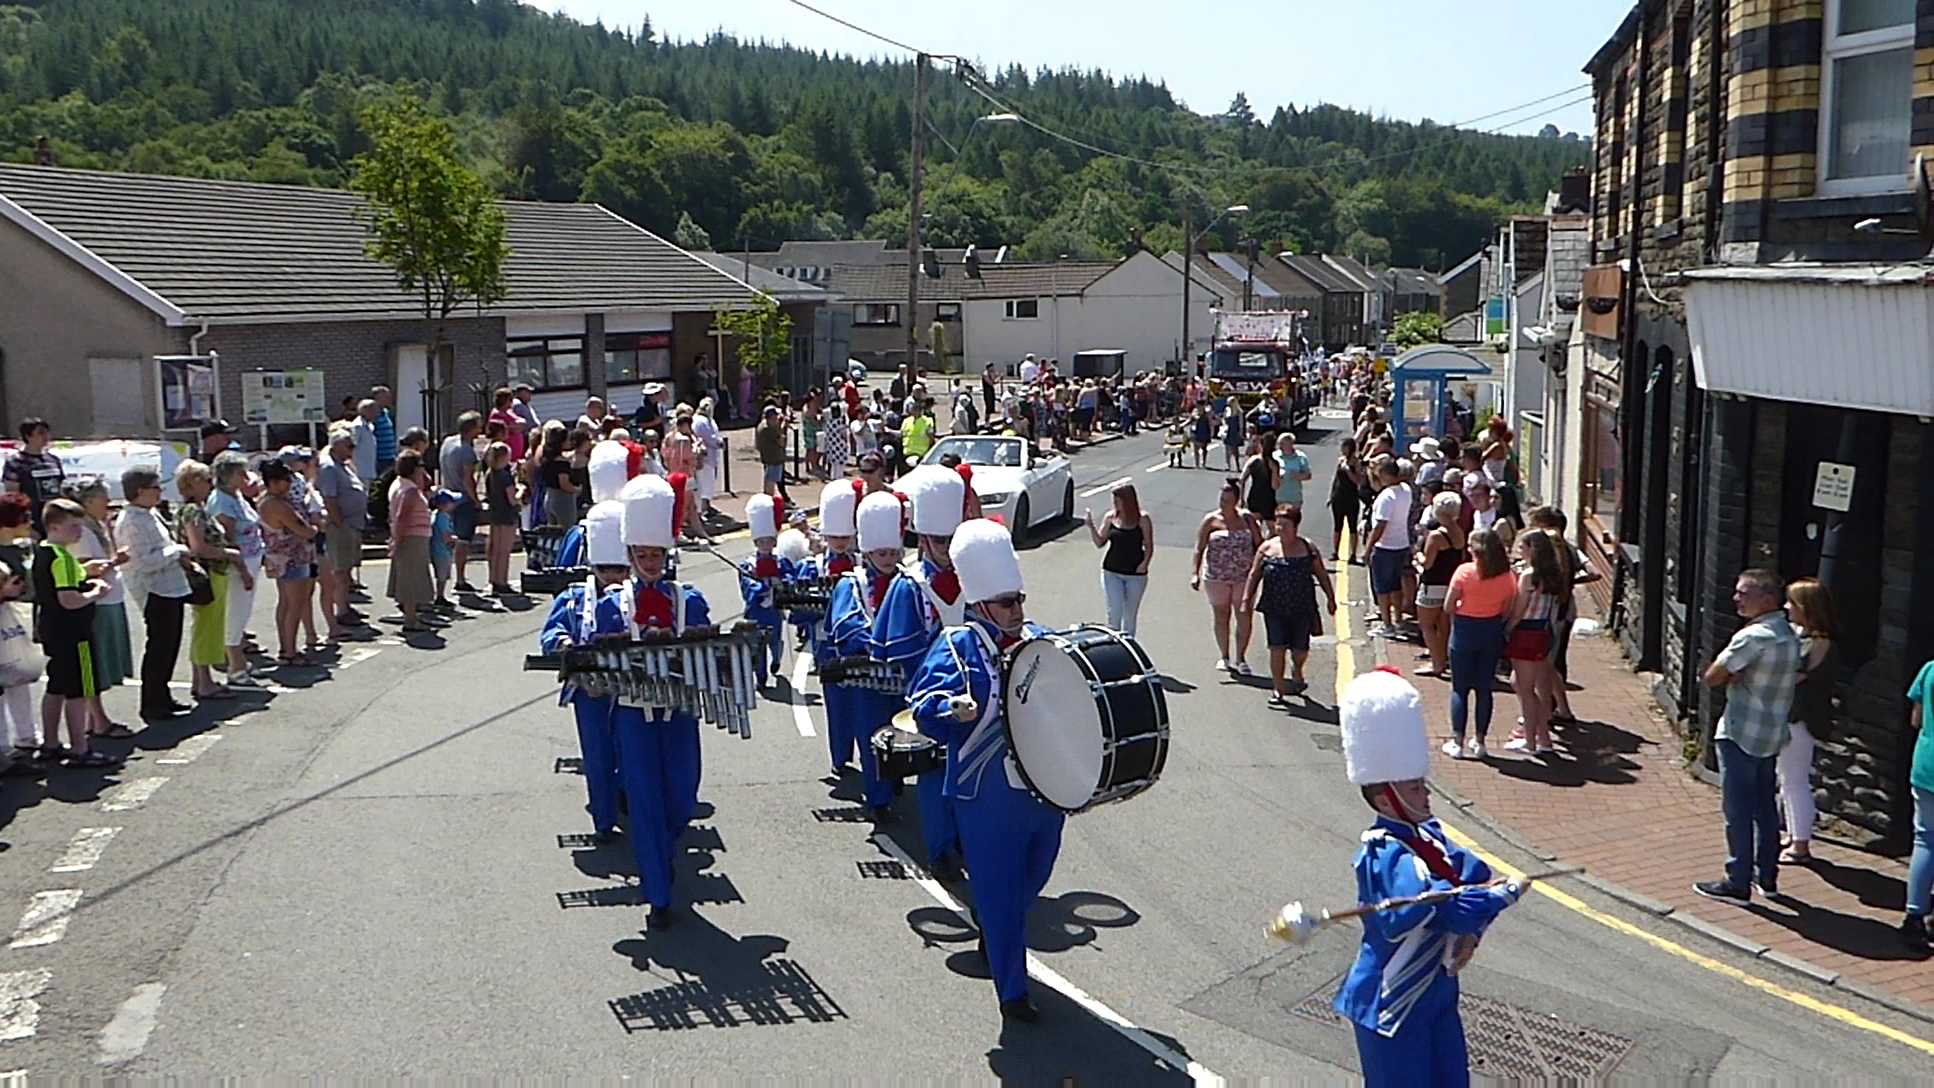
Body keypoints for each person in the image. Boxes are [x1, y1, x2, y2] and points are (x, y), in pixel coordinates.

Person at [1315, 668, 1523, 1084]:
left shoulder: (1431, 836)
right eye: (1413, 788)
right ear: (1385, 800)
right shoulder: (1382, 852)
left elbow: (1475, 877)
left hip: (1436, 993)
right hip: (1391, 1000)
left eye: (1421, 785)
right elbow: (1433, 910)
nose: (1425, 795)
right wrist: (1496, 900)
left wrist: (1474, 930)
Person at [907, 517, 1063, 1022]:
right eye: (1006, 603)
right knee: (998, 892)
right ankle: (1012, 992)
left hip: (1042, 792)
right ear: (979, 605)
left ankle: (994, 926)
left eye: (1018, 599)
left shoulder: (1039, 641)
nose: (1017, 611)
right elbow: (922, 706)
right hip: (985, 795)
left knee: (1034, 877)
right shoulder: (955, 647)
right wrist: (952, 707)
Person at [594, 474, 712, 930]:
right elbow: (598, 664)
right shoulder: (610, 606)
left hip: (678, 714)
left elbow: (709, 654)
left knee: (683, 799)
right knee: (644, 802)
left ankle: (663, 853)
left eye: (656, 554)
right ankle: (658, 892)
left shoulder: (691, 601)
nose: (649, 563)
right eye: (641, 555)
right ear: (628, 555)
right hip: (632, 717)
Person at [873, 464, 972, 873]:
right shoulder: (909, 583)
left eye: (952, 540)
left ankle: (966, 838)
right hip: (929, 691)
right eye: (939, 540)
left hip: (975, 687)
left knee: (970, 770)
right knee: (934, 772)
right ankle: (939, 849)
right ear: (925, 539)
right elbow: (901, 648)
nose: (946, 548)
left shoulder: (974, 575)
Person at [1696, 569, 1802, 904]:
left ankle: (1736, 881)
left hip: (1740, 733)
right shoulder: (1788, 634)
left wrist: (1733, 675)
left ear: (1767, 600)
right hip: (1770, 733)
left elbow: (1712, 677)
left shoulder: (1752, 637)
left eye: (1744, 593)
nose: (1736, 598)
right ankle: (1766, 876)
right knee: (1764, 807)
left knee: (1737, 809)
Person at [539, 500, 630, 844]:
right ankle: (603, 818)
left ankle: (625, 797)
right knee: (597, 754)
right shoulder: (575, 597)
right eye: (606, 569)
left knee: (628, 751)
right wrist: (561, 642)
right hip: (588, 688)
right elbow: (551, 632)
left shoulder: (635, 596)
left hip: (628, 686)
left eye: (620, 570)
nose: (613, 577)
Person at [826, 488, 902, 818]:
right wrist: (876, 640)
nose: (887, 558)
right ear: (868, 551)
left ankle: (893, 782)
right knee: (873, 738)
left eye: (892, 551)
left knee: (903, 733)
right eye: (880, 552)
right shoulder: (851, 583)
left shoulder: (906, 580)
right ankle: (878, 799)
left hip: (901, 673)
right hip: (867, 678)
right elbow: (846, 625)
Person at [36, 499, 120, 766]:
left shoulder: (44, 552)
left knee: (57, 686)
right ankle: (80, 749)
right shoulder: (61, 557)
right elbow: (68, 599)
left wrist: (85, 572)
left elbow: (59, 583)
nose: (79, 531)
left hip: (53, 629)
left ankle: (50, 743)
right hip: (74, 633)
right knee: (80, 691)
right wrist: (95, 592)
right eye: (73, 526)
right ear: (54, 526)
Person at [116, 467, 193, 721]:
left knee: (169, 647)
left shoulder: (149, 515)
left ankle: (163, 696)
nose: (160, 492)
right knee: (159, 648)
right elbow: (144, 562)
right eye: (155, 487)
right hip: (154, 592)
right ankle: (152, 703)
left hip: (171, 588)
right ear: (140, 491)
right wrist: (177, 551)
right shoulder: (132, 522)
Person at [1776, 578, 1841, 866]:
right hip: (1789, 716)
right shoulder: (1800, 635)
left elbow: (1793, 675)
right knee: (1785, 779)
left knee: (1795, 781)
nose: (1786, 606)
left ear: (1806, 607)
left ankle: (1800, 845)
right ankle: (1792, 834)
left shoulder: (1818, 642)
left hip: (1800, 720)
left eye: (1791, 601)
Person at [63, 477, 134, 738]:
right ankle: (98, 719)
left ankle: (96, 719)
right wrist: (116, 561)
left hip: (109, 599)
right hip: (97, 601)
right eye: (104, 498)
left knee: (103, 660)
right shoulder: (80, 531)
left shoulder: (96, 526)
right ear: (89, 501)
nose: (108, 503)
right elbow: (87, 568)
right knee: (94, 662)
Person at [1244, 505, 1336, 702]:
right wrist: (1246, 600)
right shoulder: (1266, 548)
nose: (1280, 528)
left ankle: (1297, 669)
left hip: (1301, 607)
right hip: (1274, 607)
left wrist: (1330, 598)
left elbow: (1321, 574)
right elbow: (1254, 575)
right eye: (1278, 524)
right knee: (1276, 647)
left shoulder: (1307, 548)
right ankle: (1278, 687)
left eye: (1285, 525)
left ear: (1295, 526)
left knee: (1299, 649)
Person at [1441, 528, 1515, 761]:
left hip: (1464, 631)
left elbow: (1448, 605)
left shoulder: (1464, 572)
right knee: (1484, 688)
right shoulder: (1507, 576)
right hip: (1491, 631)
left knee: (1459, 688)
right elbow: (1507, 608)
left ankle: (1457, 742)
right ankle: (1480, 741)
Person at [174, 461, 242, 702]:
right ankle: (204, 682)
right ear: (191, 483)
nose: (210, 484)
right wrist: (228, 553)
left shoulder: (195, 509)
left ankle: (201, 679)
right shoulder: (193, 511)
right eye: (205, 480)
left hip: (212, 572)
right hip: (208, 572)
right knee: (208, 626)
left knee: (205, 625)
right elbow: (198, 547)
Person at [1502, 531, 1564, 756]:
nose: (1520, 550)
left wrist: (1507, 628)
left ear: (1532, 550)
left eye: (1523, 547)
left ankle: (1530, 742)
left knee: (1525, 689)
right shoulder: (1553, 574)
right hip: (1542, 632)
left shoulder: (1528, 576)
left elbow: (1519, 609)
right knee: (1521, 683)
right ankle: (1544, 738)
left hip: (1525, 632)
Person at [206, 454, 264, 688]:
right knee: (236, 615)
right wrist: (243, 570)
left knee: (243, 612)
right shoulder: (221, 502)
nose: (245, 477)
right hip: (237, 566)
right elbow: (228, 540)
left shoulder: (236, 496)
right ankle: (235, 667)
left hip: (251, 558)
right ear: (228, 477)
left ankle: (239, 661)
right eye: (241, 473)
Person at [1191, 479, 1260, 675]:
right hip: (1216, 577)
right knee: (1222, 616)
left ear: (1236, 501)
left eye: (1227, 500)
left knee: (1244, 615)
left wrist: (1259, 570)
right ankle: (1224, 656)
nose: (1223, 504)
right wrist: (1194, 573)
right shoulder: (1211, 520)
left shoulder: (1247, 519)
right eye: (1221, 499)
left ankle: (1241, 658)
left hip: (1243, 577)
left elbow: (1259, 545)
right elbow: (1199, 547)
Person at [738, 494, 798, 687]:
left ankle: (777, 658)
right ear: (756, 543)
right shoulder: (748, 565)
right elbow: (747, 587)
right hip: (756, 611)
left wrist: (781, 583)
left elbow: (791, 579)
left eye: (769, 541)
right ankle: (760, 675)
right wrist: (761, 585)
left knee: (774, 639)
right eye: (761, 541)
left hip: (774, 609)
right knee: (757, 645)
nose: (765, 545)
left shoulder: (781, 562)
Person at [317, 432, 368, 639]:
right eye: (349, 446)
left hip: (352, 524)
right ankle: (342, 610)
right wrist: (340, 524)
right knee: (339, 570)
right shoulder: (329, 467)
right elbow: (330, 499)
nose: (352, 450)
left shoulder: (342, 465)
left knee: (346, 568)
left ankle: (345, 605)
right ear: (336, 446)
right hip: (340, 526)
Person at [1086, 483, 1153, 637]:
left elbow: (1149, 546)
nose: (1115, 503)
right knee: (1114, 612)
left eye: (1118, 500)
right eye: (1114, 500)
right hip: (1111, 572)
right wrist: (1091, 527)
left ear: (1128, 501)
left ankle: (1128, 648)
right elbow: (1099, 542)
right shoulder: (1110, 517)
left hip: (1135, 575)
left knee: (1130, 617)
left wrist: (1144, 564)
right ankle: (1113, 647)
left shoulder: (1142, 519)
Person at [1414, 491, 1466, 679]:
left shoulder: (1436, 536)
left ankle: (1436, 664)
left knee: (1427, 625)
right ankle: (1443, 658)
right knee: (1444, 626)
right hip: (1450, 583)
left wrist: (1418, 556)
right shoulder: (1459, 532)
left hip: (1432, 584)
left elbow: (1427, 563)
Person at [1902, 656, 1934, 951]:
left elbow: (1916, 719)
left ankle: (1914, 915)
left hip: (1926, 766)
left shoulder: (1929, 669)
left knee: (1925, 840)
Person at [385, 449, 435, 633]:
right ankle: (411, 620)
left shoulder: (399, 484)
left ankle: (411, 617)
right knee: (412, 579)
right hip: (412, 537)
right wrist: (396, 540)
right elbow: (402, 516)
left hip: (408, 536)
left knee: (408, 577)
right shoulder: (410, 491)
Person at [1364, 459, 1413, 639]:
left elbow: (1380, 526)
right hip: (1401, 544)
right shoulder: (1405, 490)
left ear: (1385, 474)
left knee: (1382, 588)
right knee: (1395, 584)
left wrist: (1369, 548)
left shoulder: (1386, 496)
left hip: (1385, 546)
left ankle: (1387, 624)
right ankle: (1398, 620)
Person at [439, 412, 483, 594]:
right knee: (463, 541)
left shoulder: (448, 442)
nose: (481, 429)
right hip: (463, 499)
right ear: (472, 428)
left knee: (449, 539)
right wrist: (476, 499)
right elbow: (467, 479)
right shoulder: (466, 451)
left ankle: (444, 579)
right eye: (478, 426)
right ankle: (461, 578)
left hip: (449, 495)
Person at [4, 417, 66, 537]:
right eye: (40, 433)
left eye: (47, 432)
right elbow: (13, 497)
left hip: (55, 520)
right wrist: (25, 525)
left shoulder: (53, 460)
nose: (46, 437)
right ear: (28, 436)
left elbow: (62, 489)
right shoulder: (15, 462)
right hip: (32, 521)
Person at [481, 442, 520, 595]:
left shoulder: (490, 473)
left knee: (495, 549)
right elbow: (512, 499)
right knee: (505, 550)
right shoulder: (505, 476)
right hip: (507, 514)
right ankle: (502, 582)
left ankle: (494, 579)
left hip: (495, 513)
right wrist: (521, 491)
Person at [1330, 437, 1367, 565]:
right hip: (1338, 496)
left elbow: (1359, 481)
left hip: (1351, 497)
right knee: (1337, 525)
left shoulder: (1356, 462)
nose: (1342, 449)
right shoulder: (1340, 461)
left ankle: (1353, 554)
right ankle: (1335, 551)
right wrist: (1332, 495)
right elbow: (1336, 480)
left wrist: (1348, 470)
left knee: (1352, 526)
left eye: (1344, 446)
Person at [536, 423, 580, 528]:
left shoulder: (546, 459)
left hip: (549, 496)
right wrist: (576, 489)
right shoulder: (561, 462)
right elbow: (564, 484)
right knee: (567, 531)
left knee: (554, 533)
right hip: (562, 499)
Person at [429, 489, 459, 608]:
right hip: (442, 550)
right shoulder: (443, 518)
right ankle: (440, 597)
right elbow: (445, 537)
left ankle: (439, 596)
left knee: (441, 575)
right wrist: (454, 539)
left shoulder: (435, 515)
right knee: (443, 576)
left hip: (436, 549)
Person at [1271, 431, 1313, 511]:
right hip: (1278, 496)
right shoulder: (1275, 456)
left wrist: (1296, 476)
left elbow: (1308, 475)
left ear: (1291, 444)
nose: (1280, 446)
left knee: (1293, 520)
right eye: (1280, 444)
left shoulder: (1300, 457)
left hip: (1294, 496)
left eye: (1283, 444)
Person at [755, 405, 790, 500]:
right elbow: (781, 442)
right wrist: (782, 427)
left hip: (769, 457)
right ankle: (768, 501)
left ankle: (769, 500)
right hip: (773, 458)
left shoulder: (762, 425)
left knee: (769, 481)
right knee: (771, 482)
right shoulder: (769, 429)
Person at [488, 387, 527, 463]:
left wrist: (518, 424)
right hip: (506, 455)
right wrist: (514, 426)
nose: (511, 403)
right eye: (510, 400)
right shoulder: (496, 414)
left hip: (517, 455)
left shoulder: (509, 412)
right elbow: (508, 428)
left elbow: (522, 422)